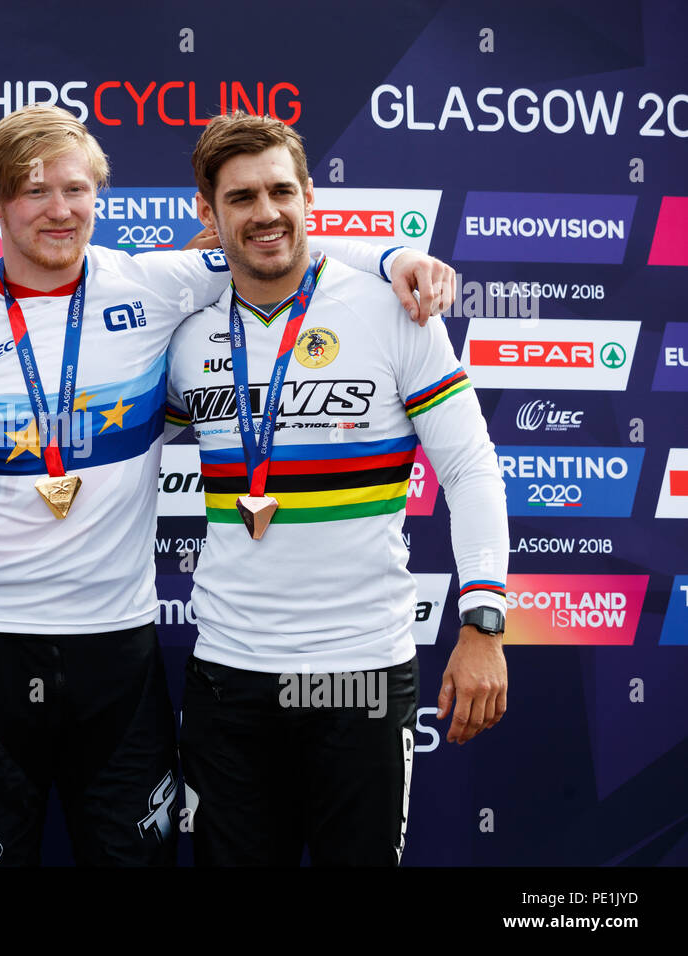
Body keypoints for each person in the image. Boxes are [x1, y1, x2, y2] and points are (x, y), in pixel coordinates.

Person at [0, 105, 457, 866]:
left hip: (121, 651)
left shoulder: (154, 281)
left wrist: (397, 258)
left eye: (77, 189)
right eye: (35, 192)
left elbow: (280, 246)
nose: (60, 210)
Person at [166, 112, 509, 866]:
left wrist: (482, 623)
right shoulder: (180, 322)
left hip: (359, 673)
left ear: (309, 195)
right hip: (229, 675)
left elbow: (470, 468)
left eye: (281, 191)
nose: (265, 214)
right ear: (206, 210)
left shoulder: (395, 308)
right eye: (241, 197)